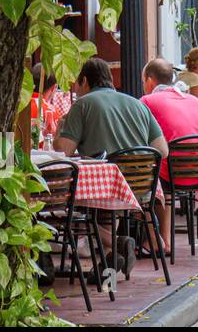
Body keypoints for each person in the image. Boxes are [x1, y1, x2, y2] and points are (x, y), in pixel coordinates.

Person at [55, 57, 169, 271]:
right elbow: (162, 151)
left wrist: (61, 127)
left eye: (77, 84)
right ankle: (110, 256)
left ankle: (114, 246)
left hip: (105, 191)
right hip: (141, 189)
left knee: (76, 206)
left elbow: (63, 152)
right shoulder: (138, 104)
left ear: (85, 81)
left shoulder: (82, 105)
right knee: (104, 205)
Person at [141, 57, 198, 250]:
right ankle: (164, 239)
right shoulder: (194, 100)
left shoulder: (147, 101)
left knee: (143, 176)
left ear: (149, 80)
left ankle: (158, 240)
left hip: (172, 174)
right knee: (166, 165)